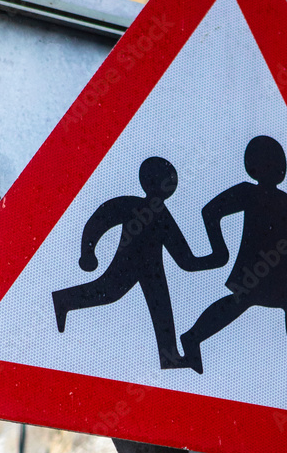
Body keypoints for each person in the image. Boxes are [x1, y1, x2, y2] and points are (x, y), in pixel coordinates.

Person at [180, 136, 287, 394]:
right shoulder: (248, 192)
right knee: (241, 303)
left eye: (280, 164)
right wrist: (219, 249)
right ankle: (192, 337)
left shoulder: (285, 201)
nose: (279, 169)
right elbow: (210, 211)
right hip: (257, 265)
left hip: (281, 270)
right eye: (272, 164)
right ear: (255, 167)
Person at [52, 156, 223, 369]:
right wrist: (87, 252)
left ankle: (169, 356)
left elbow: (184, 259)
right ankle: (63, 300)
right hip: (130, 264)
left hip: (152, 269)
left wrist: (215, 260)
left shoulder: (158, 212)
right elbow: (101, 219)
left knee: (159, 307)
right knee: (110, 291)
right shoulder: (136, 206)